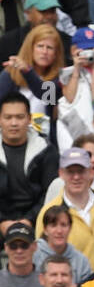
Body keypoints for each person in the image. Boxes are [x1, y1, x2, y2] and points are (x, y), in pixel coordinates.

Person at [0, 92, 56, 226]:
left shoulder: (46, 150)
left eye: (20, 117)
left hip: (38, 222)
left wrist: (29, 220)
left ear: (29, 119)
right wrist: (2, 222)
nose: (14, 123)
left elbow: (50, 192)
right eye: (8, 117)